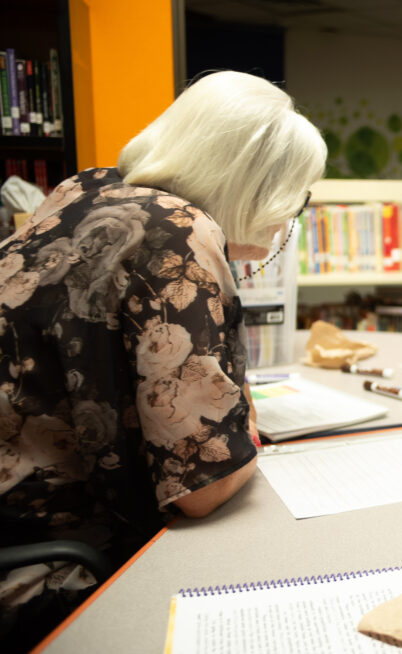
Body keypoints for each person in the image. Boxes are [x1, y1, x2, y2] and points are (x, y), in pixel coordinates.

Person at [0, 70, 326, 651]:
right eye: (287, 206)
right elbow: (201, 488)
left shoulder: (84, 190)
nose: (281, 227)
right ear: (256, 190)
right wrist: (241, 429)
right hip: (43, 561)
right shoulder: (179, 232)